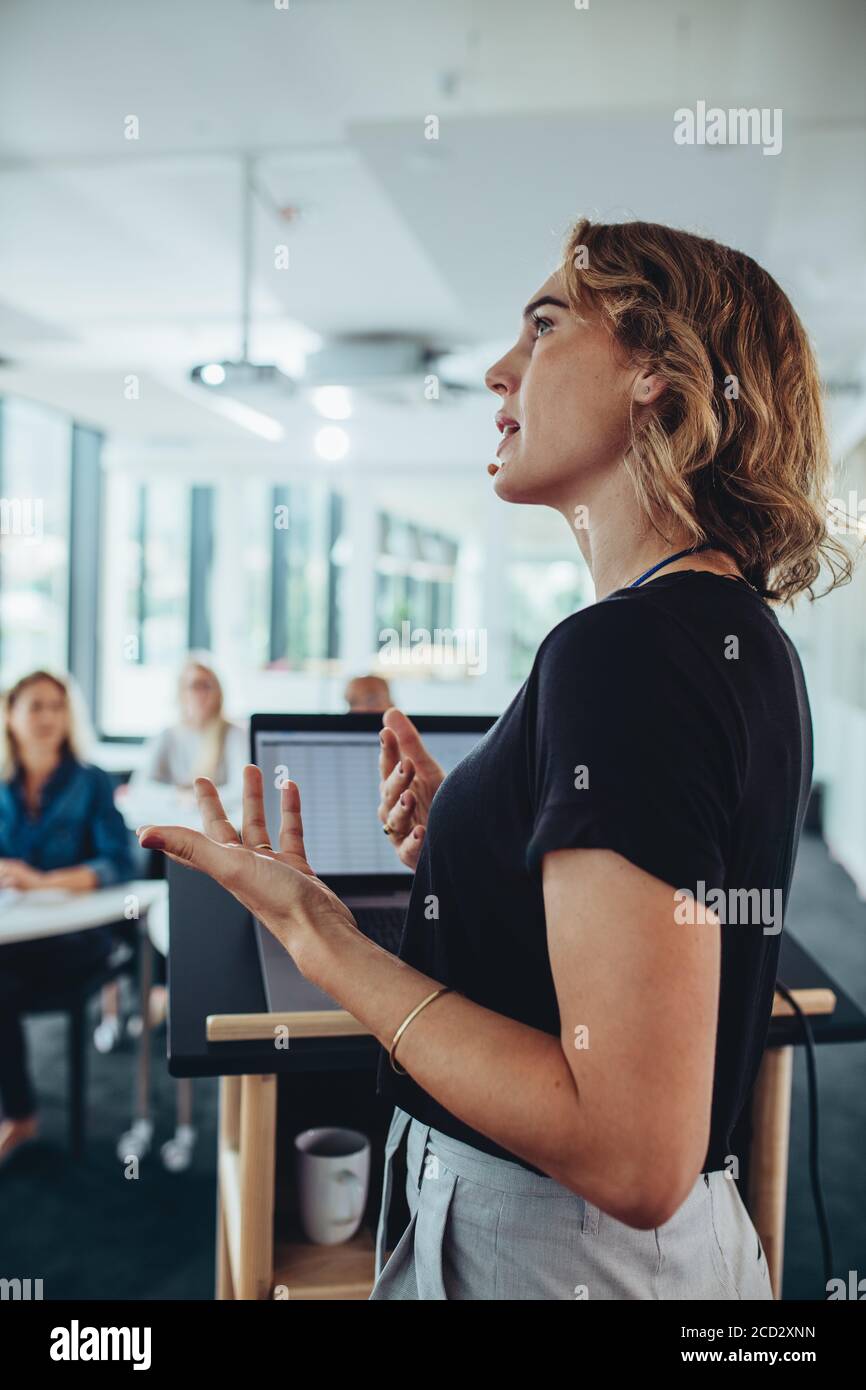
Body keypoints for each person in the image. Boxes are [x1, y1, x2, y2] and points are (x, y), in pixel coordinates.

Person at [134, 218, 855, 1299]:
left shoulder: (623, 651)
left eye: (544, 324)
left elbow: (629, 1154)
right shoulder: (720, 630)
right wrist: (488, 840)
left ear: (658, 372)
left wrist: (318, 933)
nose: (494, 368)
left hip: (558, 1254)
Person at [0, 670, 133, 1166]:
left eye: (56, 706)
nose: (47, 717)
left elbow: (119, 863)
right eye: (34, 706)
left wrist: (41, 881)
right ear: (10, 715)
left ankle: (20, 1115)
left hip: (80, 936)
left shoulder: (91, 780)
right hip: (13, 932)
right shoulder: (3, 784)